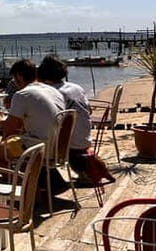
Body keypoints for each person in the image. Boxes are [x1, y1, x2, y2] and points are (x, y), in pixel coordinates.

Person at [37, 55, 114, 183]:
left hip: (68, 143)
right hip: (85, 136)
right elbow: (89, 110)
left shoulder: (52, 92)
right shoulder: (76, 87)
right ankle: (94, 170)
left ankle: (42, 182)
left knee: (34, 139)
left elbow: (48, 120)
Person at [0, 59, 66, 167]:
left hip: (37, 146)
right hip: (59, 147)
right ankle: (25, 174)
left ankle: (23, 182)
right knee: (4, 147)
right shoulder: (53, 91)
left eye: (14, 79)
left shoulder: (22, 94)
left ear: (19, 76)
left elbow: (11, 128)